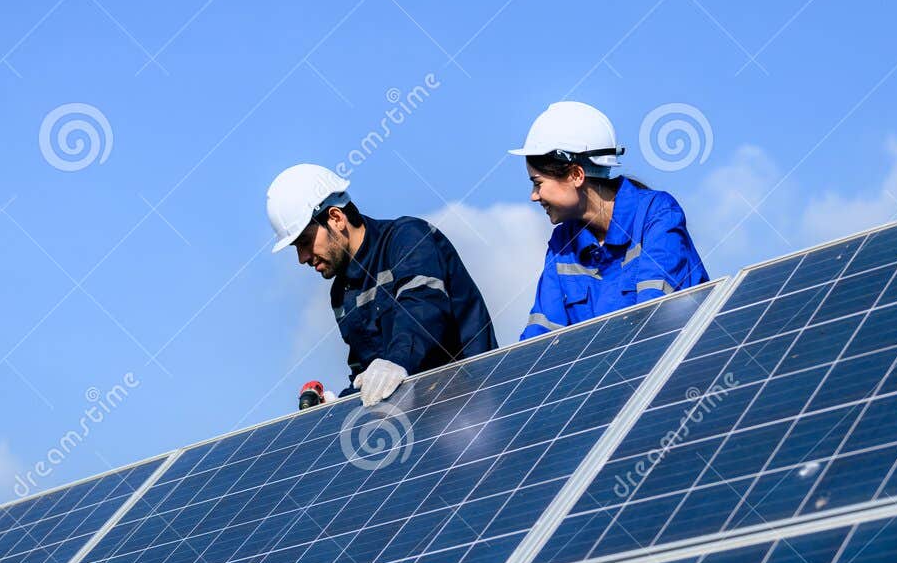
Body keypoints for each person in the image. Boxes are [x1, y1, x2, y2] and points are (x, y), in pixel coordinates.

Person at [267, 164, 497, 405]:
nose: (302, 257)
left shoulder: (408, 239)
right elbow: (372, 374)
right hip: (423, 426)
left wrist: (397, 360)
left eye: (305, 242)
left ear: (335, 218)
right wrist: (340, 405)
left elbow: (422, 311)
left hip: (476, 404)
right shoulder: (342, 293)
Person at [511, 101, 709, 340]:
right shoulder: (562, 244)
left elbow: (653, 320)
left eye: (538, 183)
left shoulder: (657, 215)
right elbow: (539, 339)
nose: (534, 196)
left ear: (576, 175)